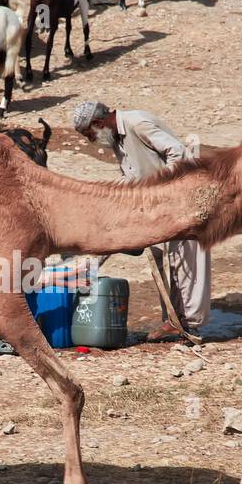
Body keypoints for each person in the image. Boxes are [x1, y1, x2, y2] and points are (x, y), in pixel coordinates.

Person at [72, 101, 211, 340]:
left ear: (98, 123)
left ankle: (189, 324)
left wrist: (163, 191)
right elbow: (132, 175)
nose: (91, 141)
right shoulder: (117, 138)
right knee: (159, 256)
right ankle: (173, 320)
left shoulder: (137, 123)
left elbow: (178, 153)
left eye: (89, 135)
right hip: (155, 209)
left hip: (182, 200)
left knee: (186, 261)